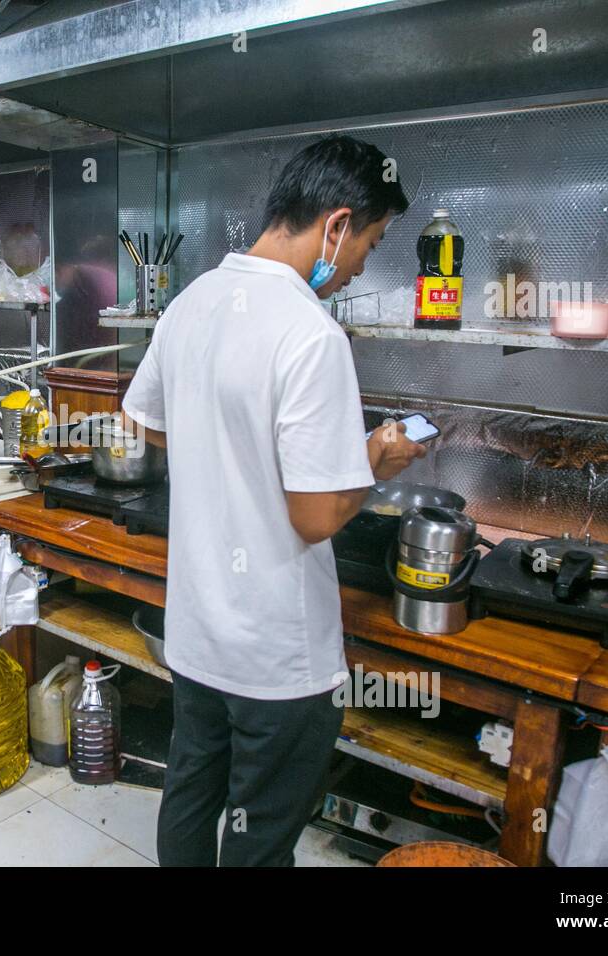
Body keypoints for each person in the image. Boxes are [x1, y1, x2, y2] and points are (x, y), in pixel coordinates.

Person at [122, 136, 426, 867]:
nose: (357, 268)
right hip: (276, 659)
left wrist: (230, 453)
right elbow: (317, 516)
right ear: (337, 224)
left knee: (192, 793)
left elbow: (143, 424)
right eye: (370, 245)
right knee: (260, 840)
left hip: (197, 635)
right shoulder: (311, 334)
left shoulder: (190, 303)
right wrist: (372, 461)